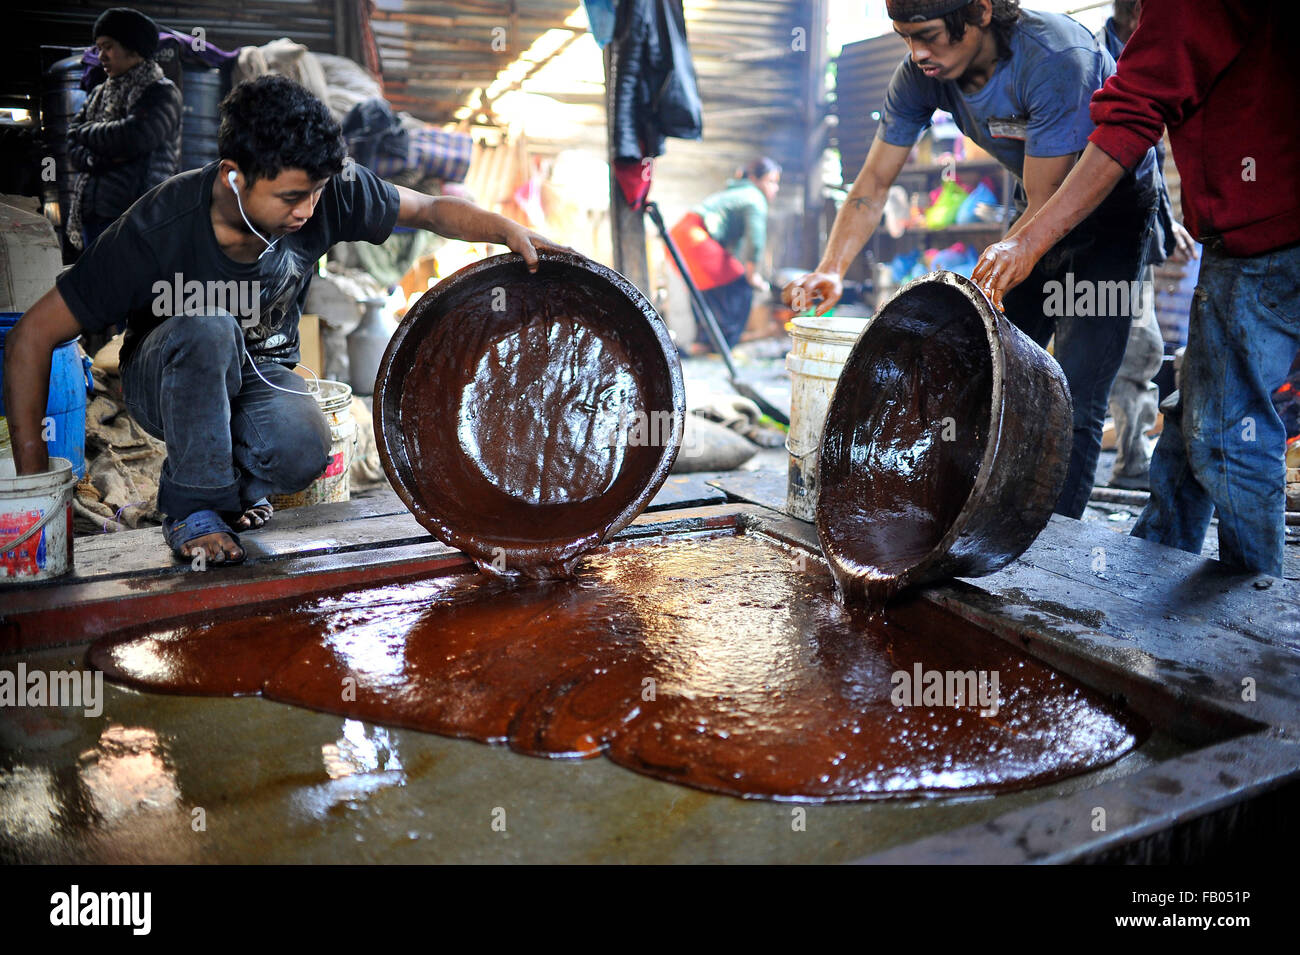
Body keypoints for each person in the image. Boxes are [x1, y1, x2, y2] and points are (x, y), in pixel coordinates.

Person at [4, 75, 565, 566]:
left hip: (260, 375)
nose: (308, 211)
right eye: (293, 197)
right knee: (208, 325)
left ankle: (233, 492)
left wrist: (509, 231)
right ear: (233, 177)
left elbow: (429, 209)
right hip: (170, 376)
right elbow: (32, 336)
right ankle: (194, 509)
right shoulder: (154, 230)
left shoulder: (325, 191)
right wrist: (34, 488)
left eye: (317, 193)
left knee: (306, 442)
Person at [783, 0, 1161, 519]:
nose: (918, 53)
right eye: (905, 38)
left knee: (1076, 386)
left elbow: (1052, 196)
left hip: (1110, 213)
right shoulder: (920, 74)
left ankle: (1058, 544)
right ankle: (972, 512)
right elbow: (871, 183)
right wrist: (832, 266)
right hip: (1036, 207)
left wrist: (1019, 249)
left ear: (982, 11)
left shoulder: (1055, 56)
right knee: (986, 361)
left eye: (930, 36)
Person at [972, 0, 1300, 576]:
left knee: (1227, 436)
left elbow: (1130, 118)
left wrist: (1028, 241)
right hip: (1250, 239)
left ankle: (1256, 620)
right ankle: (1155, 564)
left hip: (1264, 242)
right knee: (1196, 412)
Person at [1095, 0, 1196, 491]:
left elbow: (1149, 156)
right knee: (1135, 344)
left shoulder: (1143, 46)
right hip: (1097, 226)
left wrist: (1166, 218)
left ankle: (1133, 457)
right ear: (1138, 10)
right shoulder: (1098, 55)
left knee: (1141, 346)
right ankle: (1127, 460)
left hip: (1136, 220)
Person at [67, 7, 182, 250]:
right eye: (98, 48)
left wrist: (84, 132)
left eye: (108, 47)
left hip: (138, 216)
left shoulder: (161, 92)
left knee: (132, 286)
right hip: (93, 214)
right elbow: (71, 139)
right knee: (96, 285)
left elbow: (133, 137)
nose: (101, 56)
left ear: (133, 46)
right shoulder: (99, 94)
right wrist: (96, 160)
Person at [669, 157, 780, 353]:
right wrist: (753, 275)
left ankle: (703, 343)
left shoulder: (735, 193)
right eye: (771, 181)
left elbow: (730, 249)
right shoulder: (754, 197)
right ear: (754, 179)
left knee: (708, 288)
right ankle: (721, 343)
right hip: (694, 236)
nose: (776, 188)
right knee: (742, 286)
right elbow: (756, 238)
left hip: (679, 236)